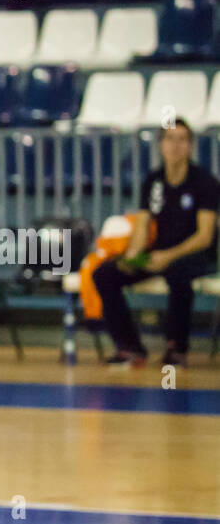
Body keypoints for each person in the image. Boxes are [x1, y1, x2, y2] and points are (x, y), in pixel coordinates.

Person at [93, 119, 219, 369]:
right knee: (105, 274)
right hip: (158, 253)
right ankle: (130, 347)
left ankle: (176, 348)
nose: (176, 145)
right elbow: (142, 224)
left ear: (191, 146)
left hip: (197, 255)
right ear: (161, 145)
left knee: (177, 274)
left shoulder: (204, 182)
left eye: (182, 139)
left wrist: (168, 256)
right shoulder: (154, 181)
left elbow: (205, 237)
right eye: (170, 139)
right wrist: (133, 255)